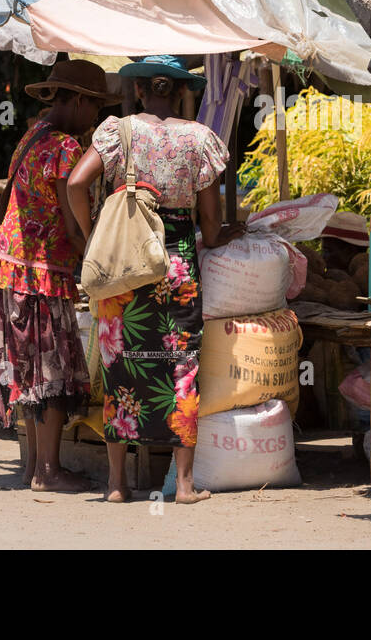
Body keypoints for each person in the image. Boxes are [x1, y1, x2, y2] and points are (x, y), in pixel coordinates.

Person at [68, 54, 241, 504]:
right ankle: (183, 486)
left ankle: (117, 485)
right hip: (174, 264)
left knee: (119, 365)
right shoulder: (201, 139)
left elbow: (75, 183)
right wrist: (224, 235)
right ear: (181, 92)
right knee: (181, 369)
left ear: (140, 90)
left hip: (122, 264)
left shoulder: (114, 131)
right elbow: (210, 224)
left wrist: (93, 237)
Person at [0, 60, 112, 492]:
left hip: (4, 267)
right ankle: (48, 472)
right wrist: (97, 257)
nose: (95, 118)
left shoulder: (30, 136)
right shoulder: (66, 149)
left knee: (27, 373)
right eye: (94, 107)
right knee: (51, 369)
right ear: (75, 100)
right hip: (37, 274)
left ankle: (35, 465)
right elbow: (72, 226)